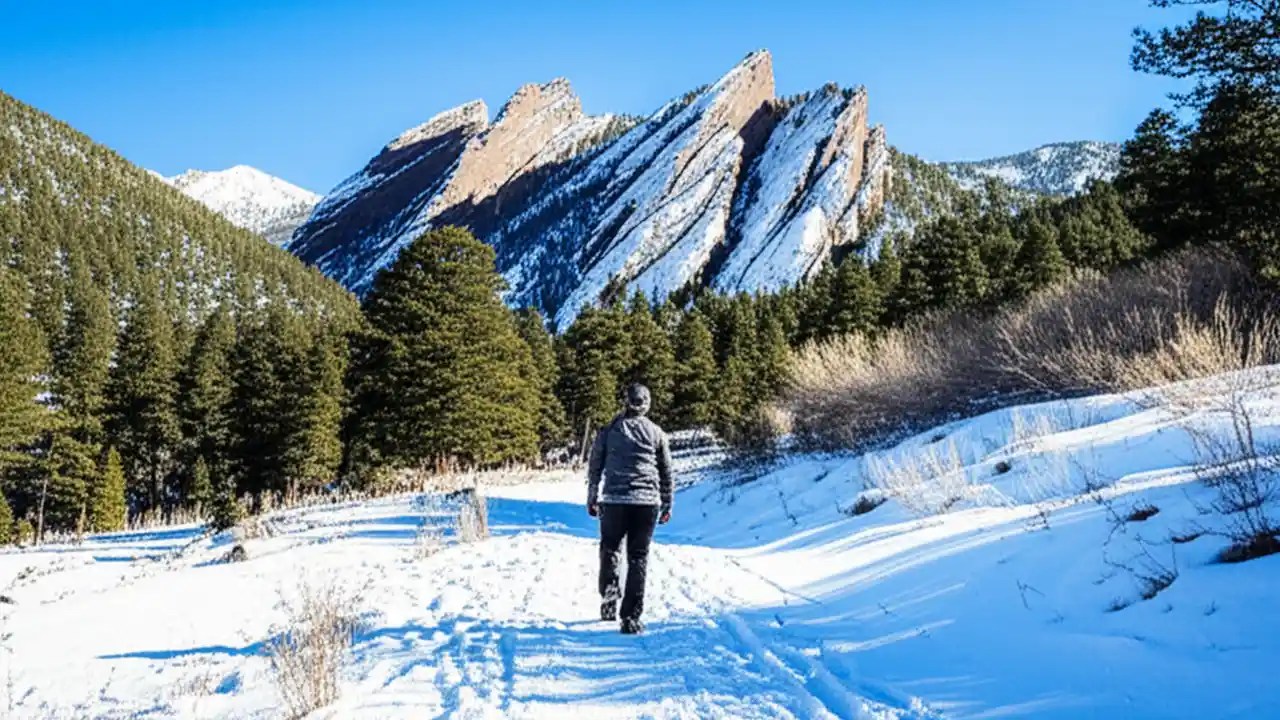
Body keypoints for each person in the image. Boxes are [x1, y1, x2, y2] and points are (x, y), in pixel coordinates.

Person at [587, 383, 673, 635]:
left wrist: (592, 494)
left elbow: (595, 464)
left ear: (626, 402)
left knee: (610, 547)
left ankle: (609, 593)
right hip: (646, 503)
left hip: (614, 499)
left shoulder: (610, 429)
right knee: (638, 557)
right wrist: (668, 502)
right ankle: (630, 617)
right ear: (647, 403)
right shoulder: (657, 433)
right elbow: (666, 470)